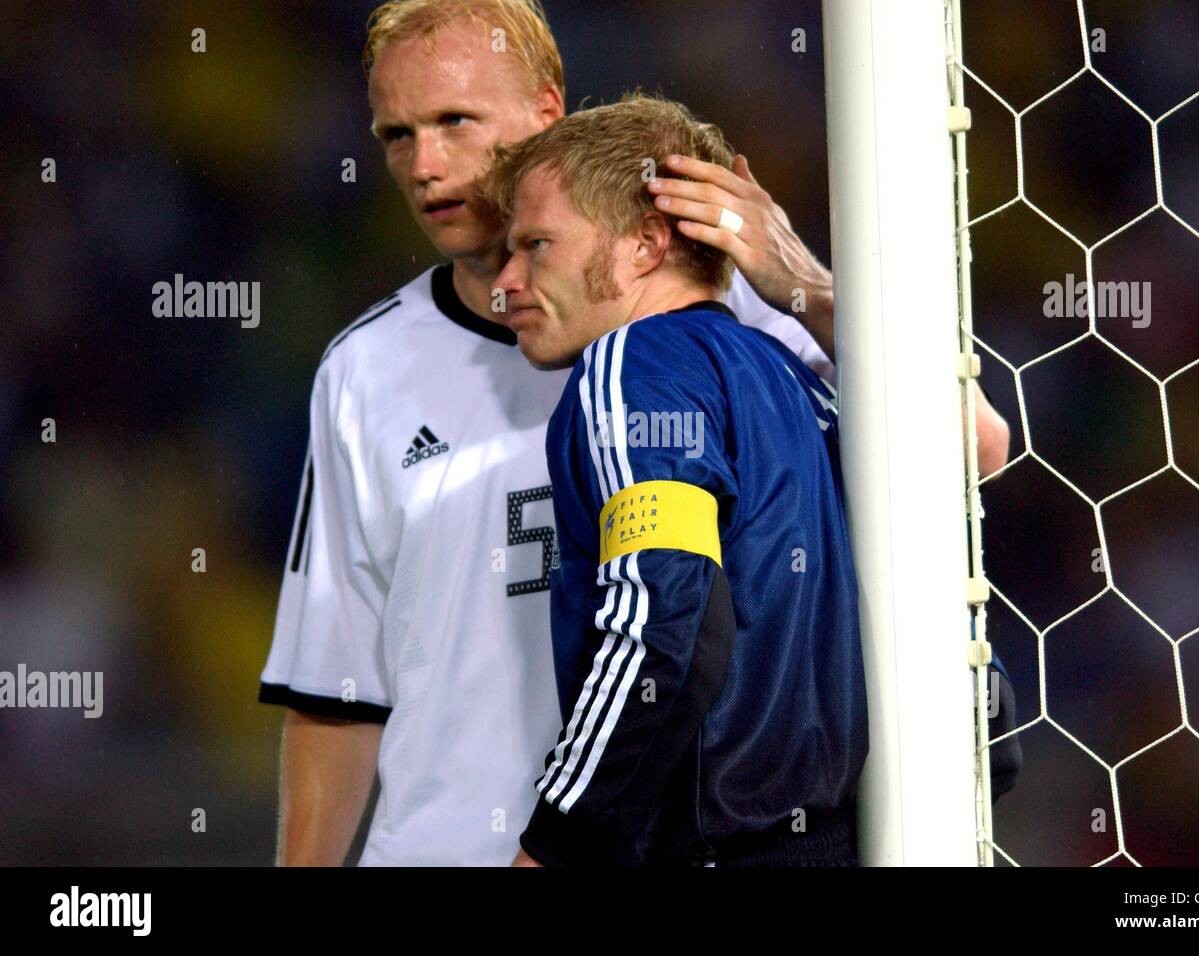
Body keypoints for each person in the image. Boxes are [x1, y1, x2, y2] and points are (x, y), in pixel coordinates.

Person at [258, 0, 1014, 866]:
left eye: (455, 120)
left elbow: (974, 449)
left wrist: (805, 284)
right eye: (396, 135)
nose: (427, 164)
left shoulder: (725, 327)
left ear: (547, 114)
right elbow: (337, 690)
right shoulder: (364, 369)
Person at [484, 94, 867, 866]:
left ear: (645, 245)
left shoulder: (638, 368)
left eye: (535, 245)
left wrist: (556, 843)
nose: (506, 282)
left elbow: (664, 615)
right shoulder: (808, 387)